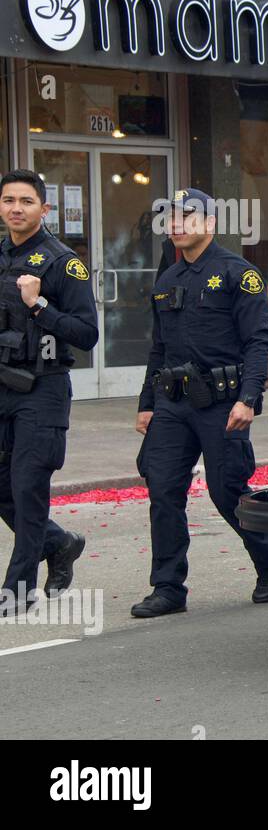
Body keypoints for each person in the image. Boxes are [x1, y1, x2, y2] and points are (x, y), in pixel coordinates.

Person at [131, 188, 268, 617]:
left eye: (188, 216)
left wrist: (249, 398)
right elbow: (158, 348)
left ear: (211, 223)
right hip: (173, 405)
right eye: (172, 218)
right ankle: (168, 588)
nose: (178, 224)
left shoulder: (238, 274)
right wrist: (146, 403)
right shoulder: (167, 280)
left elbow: (258, 341)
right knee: (162, 491)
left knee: (226, 491)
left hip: (223, 404)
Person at [0, 170, 96, 609]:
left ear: (44, 208)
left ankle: (19, 589)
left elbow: (87, 333)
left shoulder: (62, 262)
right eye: (8, 201)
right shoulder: (1, 255)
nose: (15, 208)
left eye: (25, 201)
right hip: (3, 386)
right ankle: (58, 543)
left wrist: (38, 305)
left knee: (27, 486)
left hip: (44, 389)